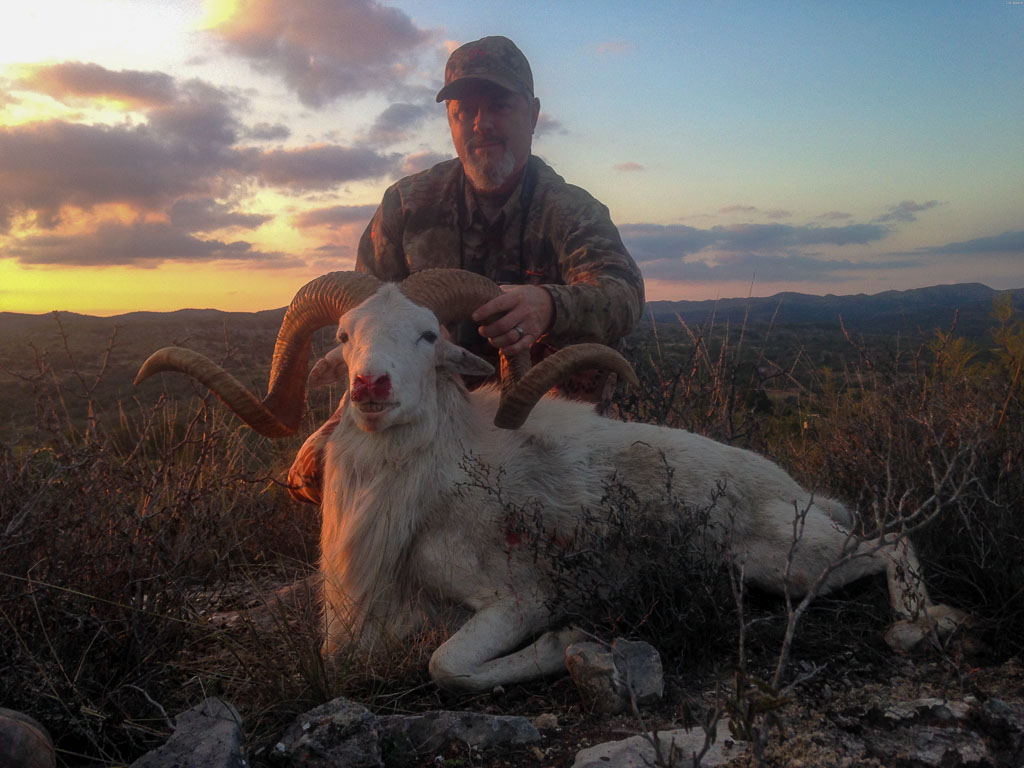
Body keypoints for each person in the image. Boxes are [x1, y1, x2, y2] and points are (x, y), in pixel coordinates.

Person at [288, 36, 644, 504]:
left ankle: (559, 504)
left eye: (499, 106)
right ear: (450, 120)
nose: (481, 124)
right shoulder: (406, 204)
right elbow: (367, 317)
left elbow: (623, 292)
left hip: (531, 408)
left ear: (533, 115)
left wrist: (548, 305)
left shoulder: (572, 210)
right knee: (313, 474)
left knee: (580, 353)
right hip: (428, 394)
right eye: (464, 110)